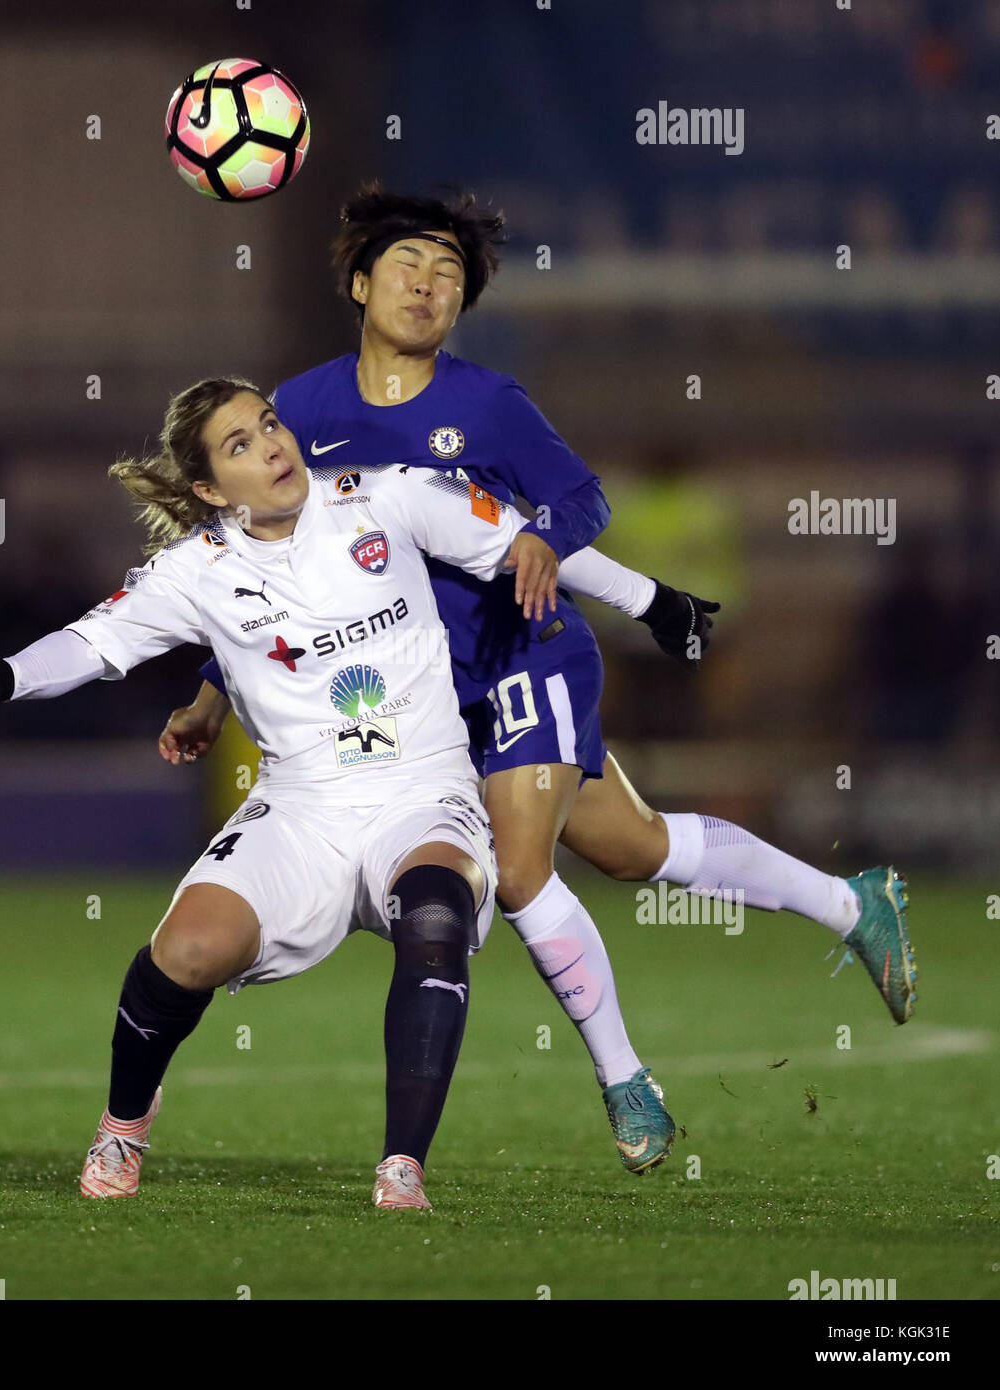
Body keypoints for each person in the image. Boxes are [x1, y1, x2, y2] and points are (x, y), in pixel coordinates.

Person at [172, 186, 918, 1176]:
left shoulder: (489, 405)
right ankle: (849, 902)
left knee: (520, 873)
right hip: (429, 705)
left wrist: (541, 533)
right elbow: (260, 566)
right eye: (409, 263)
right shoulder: (298, 413)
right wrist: (211, 690)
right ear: (359, 282)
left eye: (449, 272)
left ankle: (626, 1080)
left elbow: (583, 496)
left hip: (529, 654)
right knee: (637, 849)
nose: (429, 283)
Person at [0, 377, 670, 1208]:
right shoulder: (195, 573)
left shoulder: (386, 498)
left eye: (270, 424)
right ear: (211, 490)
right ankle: (122, 1127)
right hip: (301, 807)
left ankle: (401, 1168)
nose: (272, 446)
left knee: (437, 913)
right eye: (240, 445)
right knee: (186, 953)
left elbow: (532, 547)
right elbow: (94, 642)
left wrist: (652, 600)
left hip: (424, 788)